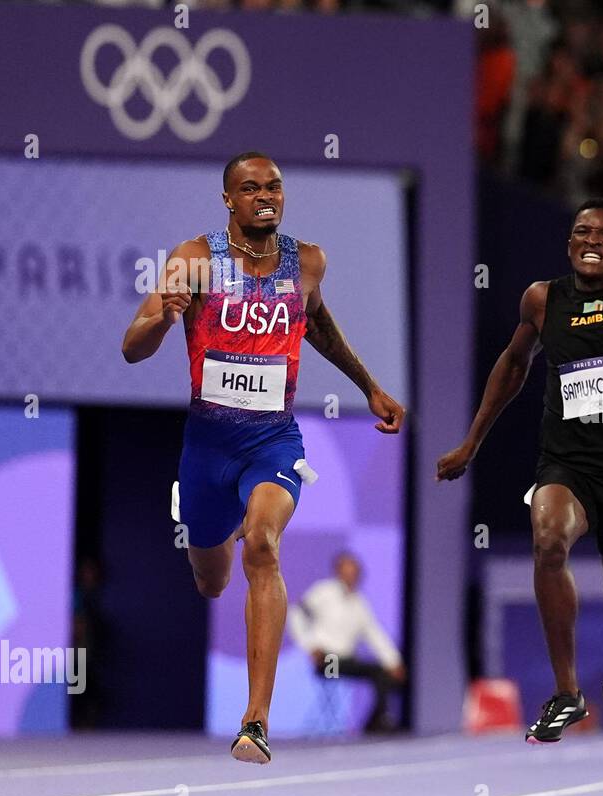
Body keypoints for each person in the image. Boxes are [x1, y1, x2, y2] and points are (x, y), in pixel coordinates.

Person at [121, 152, 405, 763]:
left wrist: (370, 386)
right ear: (229, 199)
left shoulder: (306, 262)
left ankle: (256, 719)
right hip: (207, 447)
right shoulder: (194, 262)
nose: (264, 196)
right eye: (250, 188)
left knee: (263, 544)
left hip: (272, 442)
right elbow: (131, 348)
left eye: (273, 186)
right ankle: (200, 520)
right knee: (211, 579)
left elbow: (320, 326)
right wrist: (165, 320)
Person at [437, 199, 603, 774]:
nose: (591, 239)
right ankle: (568, 691)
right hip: (567, 465)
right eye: (581, 231)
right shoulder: (542, 299)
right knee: (548, 537)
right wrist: (472, 442)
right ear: (568, 243)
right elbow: (514, 363)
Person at [289, 552, 405, 733]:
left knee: (382, 673)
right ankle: (343, 722)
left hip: (347, 661)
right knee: (337, 667)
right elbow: (297, 615)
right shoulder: (323, 592)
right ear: (338, 571)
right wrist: (310, 646)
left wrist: (393, 661)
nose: (351, 576)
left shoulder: (360, 603)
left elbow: (374, 634)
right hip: (327, 661)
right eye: (347, 571)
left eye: (354, 572)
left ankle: (375, 722)